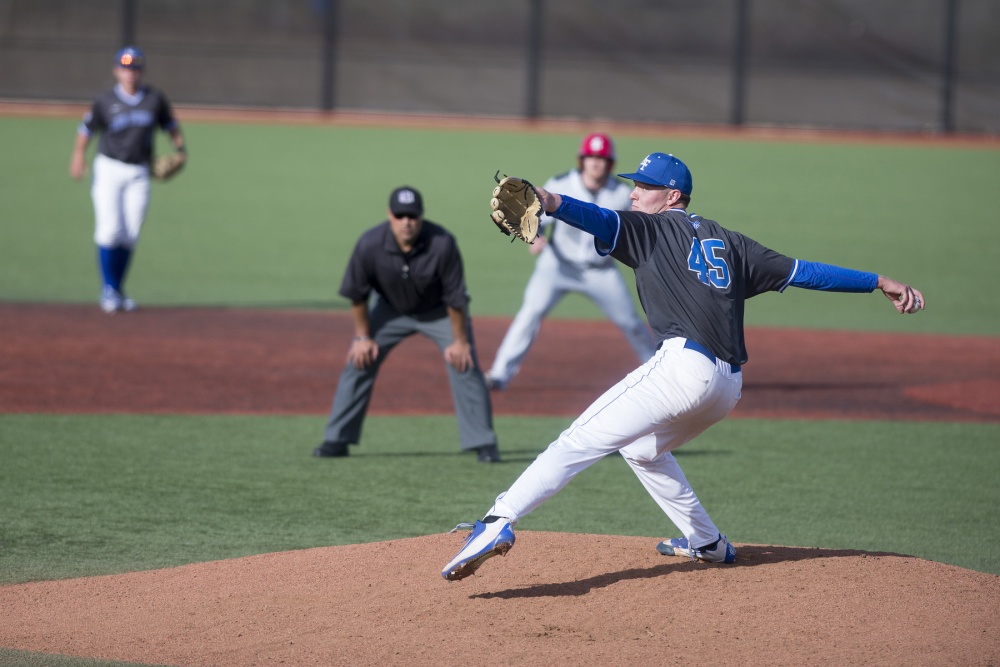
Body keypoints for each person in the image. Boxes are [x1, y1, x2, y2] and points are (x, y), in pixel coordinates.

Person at [442, 151, 925, 580]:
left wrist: (550, 200)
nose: (634, 194)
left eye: (644, 187)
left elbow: (593, 217)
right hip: (726, 387)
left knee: (578, 439)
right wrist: (878, 281)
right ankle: (708, 543)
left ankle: (497, 521)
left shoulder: (649, 230)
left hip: (683, 368)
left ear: (672, 196)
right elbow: (806, 272)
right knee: (643, 451)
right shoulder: (733, 243)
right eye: (633, 185)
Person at [314, 186, 501, 463]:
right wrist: (362, 337)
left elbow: (456, 298)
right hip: (390, 311)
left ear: (421, 216)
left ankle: (483, 442)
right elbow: (357, 295)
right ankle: (337, 439)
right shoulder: (370, 244)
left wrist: (460, 342)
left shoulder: (442, 243)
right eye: (400, 215)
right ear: (390, 215)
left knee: (464, 362)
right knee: (360, 360)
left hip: (439, 312)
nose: (407, 222)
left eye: (412, 215)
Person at [485, 133, 655, 390]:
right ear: (582, 160)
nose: (596, 162)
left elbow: (635, 229)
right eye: (591, 157)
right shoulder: (561, 183)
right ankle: (499, 374)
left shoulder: (621, 194)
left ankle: (657, 371)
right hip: (557, 266)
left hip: (601, 272)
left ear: (610, 164)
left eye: (601, 158)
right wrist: (536, 237)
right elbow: (534, 219)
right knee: (530, 313)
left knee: (631, 322)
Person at [70, 45, 186, 314]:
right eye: (125, 67)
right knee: (110, 231)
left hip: (140, 172)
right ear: (116, 71)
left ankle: (118, 291)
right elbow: (85, 130)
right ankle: (109, 290)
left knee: (130, 233)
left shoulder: (155, 99)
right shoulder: (104, 101)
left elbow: (171, 125)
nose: (130, 72)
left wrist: (181, 151)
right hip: (108, 169)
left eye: (135, 67)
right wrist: (78, 157)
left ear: (141, 71)